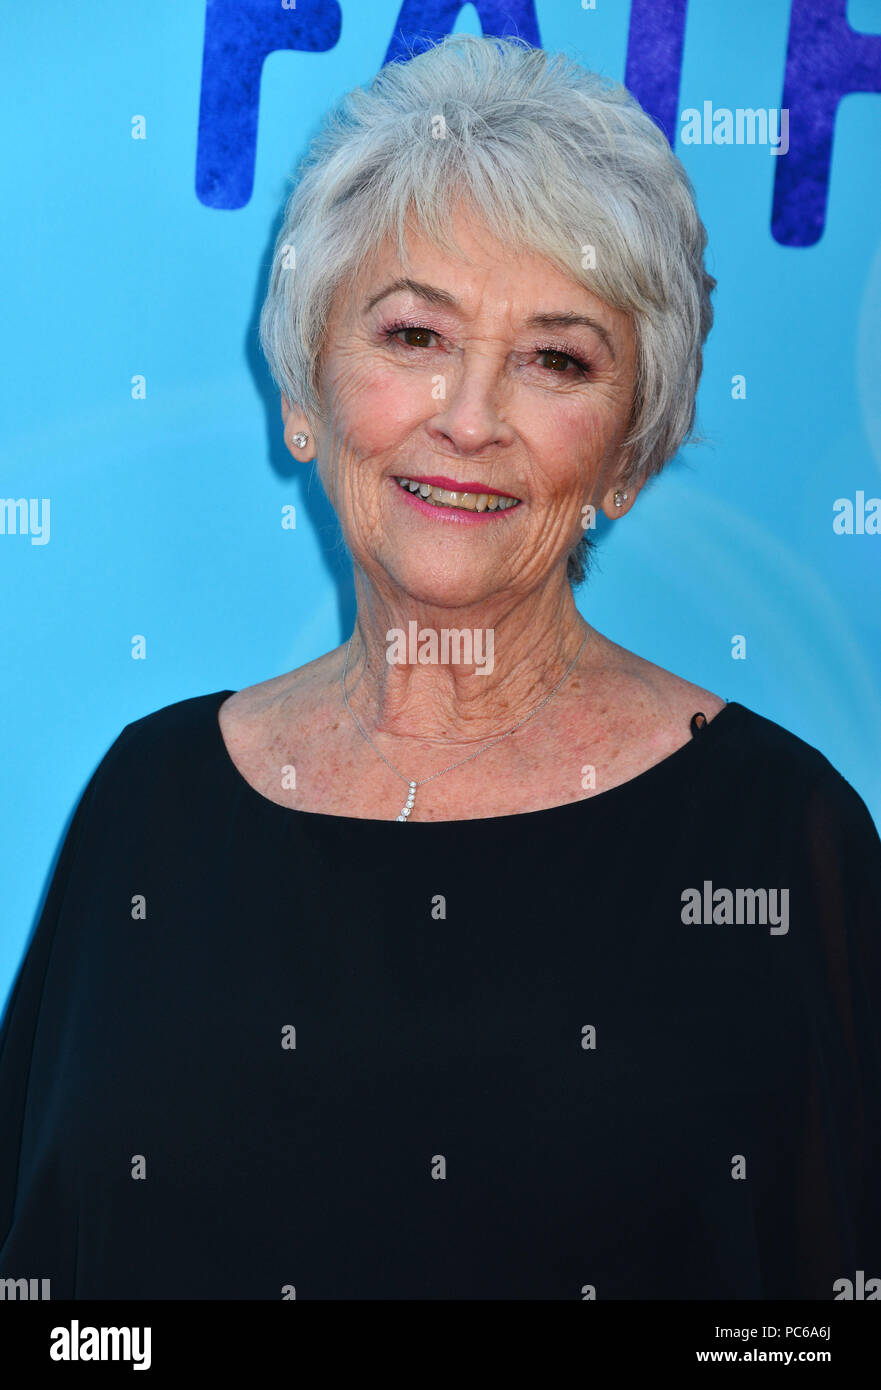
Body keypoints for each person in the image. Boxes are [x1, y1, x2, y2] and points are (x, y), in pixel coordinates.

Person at [1, 34, 878, 1300]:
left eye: (555, 358)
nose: (468, 416)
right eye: (414, 333)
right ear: (305, 390)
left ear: (627, 458)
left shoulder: (775, 840)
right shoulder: (151, 802)